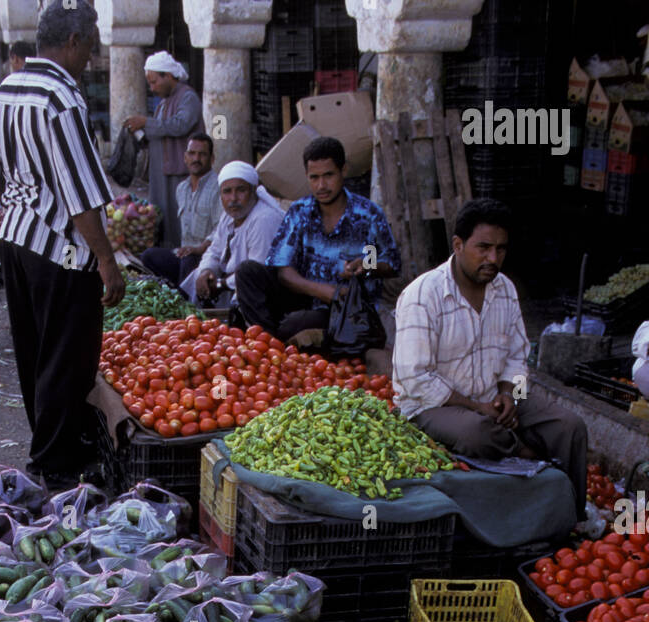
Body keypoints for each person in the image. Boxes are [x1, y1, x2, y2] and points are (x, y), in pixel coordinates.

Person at [0, 0, 124, 486]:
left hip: (17, 237)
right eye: (89, 44)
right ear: (72, 42)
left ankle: (49, 446)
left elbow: (4, 173)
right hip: (61, 250)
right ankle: (55, 461)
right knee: (69, 354)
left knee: (34, 351)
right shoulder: (61, 99)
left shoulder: (7, 89)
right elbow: (79, 192)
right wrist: (106, 259)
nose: (90, 55)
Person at [393, 198, 588, 518]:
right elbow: (416, 379)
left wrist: (508, 395)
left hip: (492, 397)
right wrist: (478, 407)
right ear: (458, 244)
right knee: (478, 433)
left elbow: (517, 355)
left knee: (570, 427)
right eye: (483, 247)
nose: (493, 258)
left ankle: (570, 516)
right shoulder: (423, 295)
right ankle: (529, 458)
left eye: (500, 249)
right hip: (430, 406)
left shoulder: (505, 290)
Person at [236, 135, 400, 369]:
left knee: (294, 325)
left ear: (343, 171)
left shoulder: (368, 214)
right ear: (307, 177)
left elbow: (389, 262)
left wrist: (366, 265)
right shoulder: (299, 212)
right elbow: (284, 271)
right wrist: (324, 291)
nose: (321, 185)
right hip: (310, 295)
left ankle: (281, 343)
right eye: (314, 177)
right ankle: (269, 347)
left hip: (348, 307)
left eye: (328, 175)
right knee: (248, 272)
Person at [123, 50, 203, 248]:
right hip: (161, 173)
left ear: (167, 76)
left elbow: (180, 125)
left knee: (179, 220)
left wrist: (145, 122)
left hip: (179, 172)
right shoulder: (163, 102)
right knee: (162, 219)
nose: (152, 88)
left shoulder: (188, 97)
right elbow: (161, 129)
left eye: (154, 82)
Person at [181, 161, 284, 311]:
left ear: (253, 190)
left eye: (241, 190)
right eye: (227, 191)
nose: (233, 198)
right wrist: (207, 271)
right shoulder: (229, 216)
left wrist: (221, 284)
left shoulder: (264, 219)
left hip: (258, 293)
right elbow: (214, 250)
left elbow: (255, 273)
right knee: (195, 272)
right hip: (227, 281)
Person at [140, 132, 220, 288]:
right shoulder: (181, 189)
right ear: (185, 158)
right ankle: (178, 290)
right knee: (148, 256)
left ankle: (187, 303)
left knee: (189, 261)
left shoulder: (218, 187)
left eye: (202, 154)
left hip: (207, 257)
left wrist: (199, 249)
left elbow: (221, 230)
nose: (196, 159)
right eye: (192, 154)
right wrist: (187, 250)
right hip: (185, 254)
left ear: (212, 159)